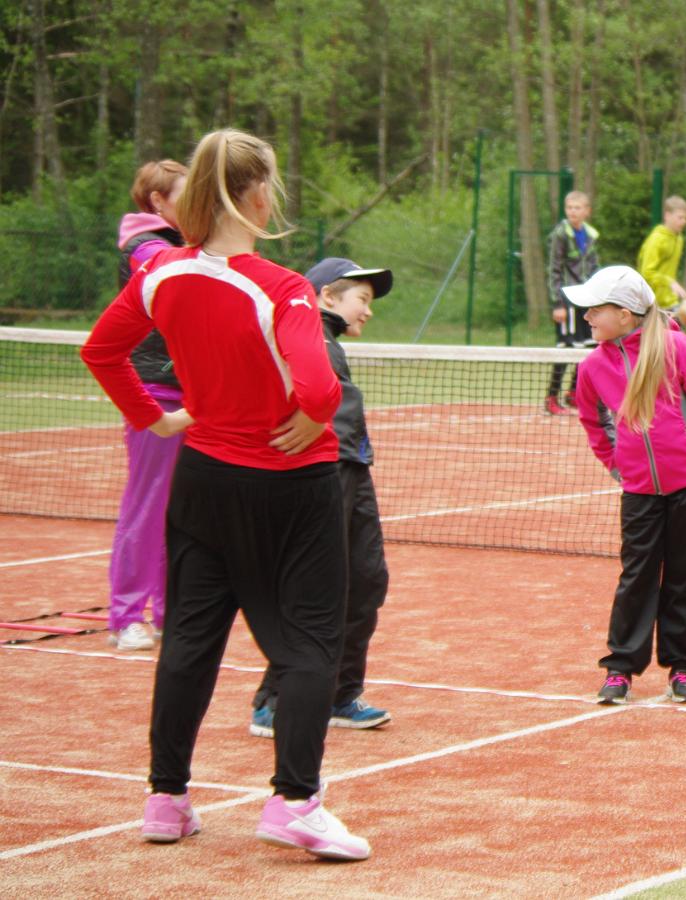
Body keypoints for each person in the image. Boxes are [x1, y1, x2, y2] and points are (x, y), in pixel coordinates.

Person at [79, 128, 370, 860]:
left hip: (203, 481)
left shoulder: (159, 274)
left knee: (190, 641)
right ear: (258, 193)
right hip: (292, 489)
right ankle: (295, 802)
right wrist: (308, 417)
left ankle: (166, 798)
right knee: (310, 644)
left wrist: (156, 418)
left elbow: (101, 351)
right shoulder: (280, 286)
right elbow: (318, 385)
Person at [567, 265, 686, 704]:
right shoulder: (591, 367)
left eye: (595, 310)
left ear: (625, 314)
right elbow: (592, 421)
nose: (586, 317)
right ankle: (620, 669)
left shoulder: (677, 347)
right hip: (639, 492)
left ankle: (681, 666)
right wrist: (615, 463)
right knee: (636, 578)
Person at [250, 257, 398, 740]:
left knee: (367, 580)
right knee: (313, 590)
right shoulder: (305, 336)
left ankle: (339, 694)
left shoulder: (329, 342)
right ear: (326, 296)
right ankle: (275, 700)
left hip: (352, 471)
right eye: (363, 299)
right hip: (320, 476)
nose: (368, 311)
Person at [106, 159, 189, 652]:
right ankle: (127, 615)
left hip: (194, 393)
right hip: (155, 393)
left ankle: (167, 608)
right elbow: (172, 273)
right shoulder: (147, 247)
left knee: (182, 509)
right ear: (158, 202)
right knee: (148, 503)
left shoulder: (183, 244)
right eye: (186, 193)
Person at [546, 190, 601, 416]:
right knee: (566, 348)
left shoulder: (590, 235)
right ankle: (551, 396)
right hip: (567, 301)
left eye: (577, 208)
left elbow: (595, 268)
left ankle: (573, 393)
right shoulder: (560, 235)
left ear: (587, 211)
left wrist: (598, 297)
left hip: (586, 300)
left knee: (588, 347)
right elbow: (554, 269)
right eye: (569, 208)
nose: (573, 212)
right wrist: (557, 303)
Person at [636, 195, 686, 314]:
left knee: (678, 332)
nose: (684, 222)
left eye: (685, 218)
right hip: (652, 303)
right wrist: (670, 282)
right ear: (667, 216)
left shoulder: (679, 239)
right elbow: (647, 273)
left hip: (671, 301)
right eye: (680, 218)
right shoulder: (656, 239)